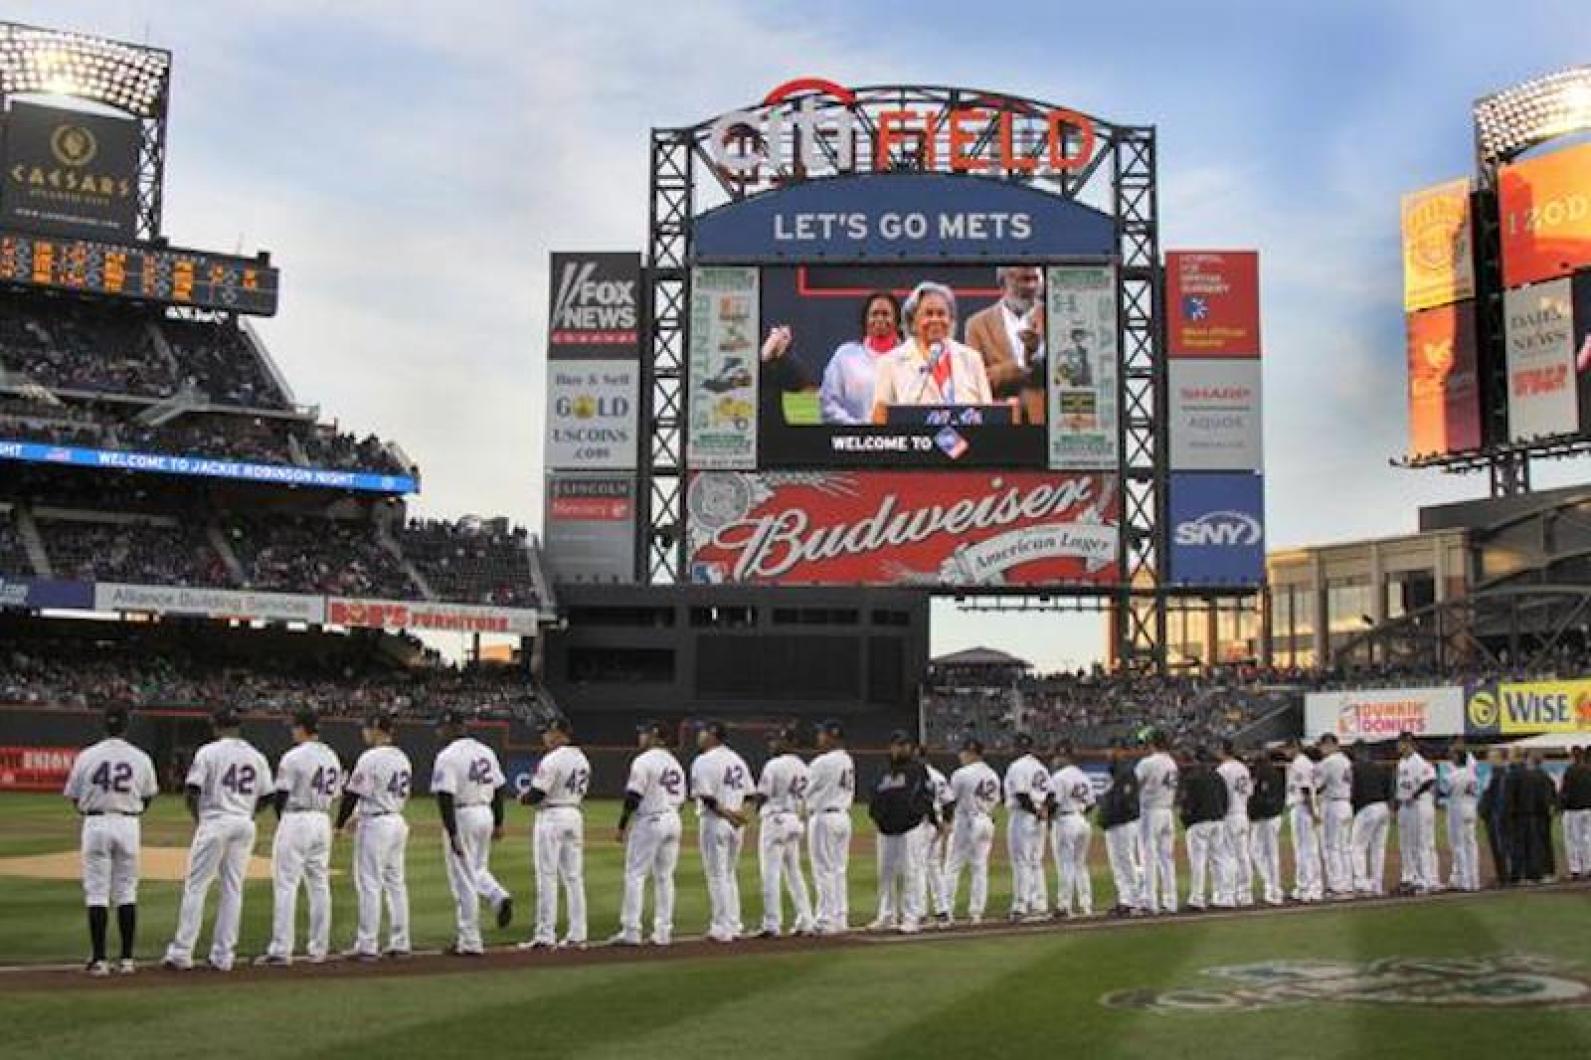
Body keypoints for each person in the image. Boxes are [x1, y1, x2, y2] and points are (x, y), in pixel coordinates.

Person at [162, 708, 272, 972]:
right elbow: (268, 796)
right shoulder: (256, 755)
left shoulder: (209, 752)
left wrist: (201, 821)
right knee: (233, 889)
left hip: (216, 821)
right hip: (244, 823)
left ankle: (182, 952)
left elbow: (192, 791)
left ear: (216, 727)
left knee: (196, 886)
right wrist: (248, 813)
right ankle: (224, 956)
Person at [63, 705, 157, 976]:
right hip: (128, 822)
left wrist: (91, 809)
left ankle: (100, 960)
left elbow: (74, 796)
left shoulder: (87, 756)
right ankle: (127, 960)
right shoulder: (140, 757)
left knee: (96, 892)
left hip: (95, 822)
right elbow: (148, 796)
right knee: (127, 890)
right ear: (127, 726)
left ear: (103, 725)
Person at [257, 708, 341, 967]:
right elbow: (336, 794)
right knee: (319, 884)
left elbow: (280, 796)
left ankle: (281, 949)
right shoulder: (331, 756)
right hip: (322, 820)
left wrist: (286, 823)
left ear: (302, 728)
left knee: (286, 884)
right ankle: (319, 948)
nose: (292, 730)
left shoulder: (293, 756)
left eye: (294, 726)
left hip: (297, 818)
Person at [431, 708, 512, 956]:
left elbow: (445, 796)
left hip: (463, 815)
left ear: (450, 728)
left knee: (463, 879)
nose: (438, 732)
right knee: (477, 869)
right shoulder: (484, 750)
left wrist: (452, 832)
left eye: (441, 728)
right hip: (485, 813)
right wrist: (499, 821)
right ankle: (498, 896)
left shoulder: (448, 756)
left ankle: (470, 940)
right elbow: (499, 788)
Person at [336, 711, 413, 961]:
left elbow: (352, 793)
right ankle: (400, 942)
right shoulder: (402, 757)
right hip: (396, 820)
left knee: (369, 883)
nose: (364, 731)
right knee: (395, 883)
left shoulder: (371, 757)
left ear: (379, 728)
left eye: (367, 727)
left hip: (376, 825)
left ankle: (367, 944)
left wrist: (339, 824)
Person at [869, 281, 993, 421]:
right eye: (928, 314)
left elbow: (987, 413)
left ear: (951, 320)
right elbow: (879, 418)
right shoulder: (889, 363)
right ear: (912, 321)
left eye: (941, 314)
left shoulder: (972, 359)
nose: (935, 320)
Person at [517, 716, 590, 950]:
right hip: (574, 814)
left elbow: (537, 793)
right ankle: (578, 933)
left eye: (547, 732)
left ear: (559, 733)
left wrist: (523, 798)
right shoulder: (582, 759)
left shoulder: (553, 759)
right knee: (574, 877)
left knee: (547, 875)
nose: (544, 737)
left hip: (552, 816)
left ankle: (545, 934)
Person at [613, 721, 686, 946]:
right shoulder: (675, 763)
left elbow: (633, 796)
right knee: (665, 877)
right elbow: (682, 800)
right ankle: (663, 931)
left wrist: (622, 825)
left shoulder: (643, 761)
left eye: (643, 734)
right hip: (673, 818)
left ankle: (631, 930)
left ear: (654, 736)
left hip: (651, 819)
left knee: (635, 874)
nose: (640, 737)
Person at [792, 290, 904, 425]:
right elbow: (827, 404)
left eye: (885, 314)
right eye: (874, 314)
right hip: (853, 441)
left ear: (897, 321)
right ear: (865, 320)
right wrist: (857, 429)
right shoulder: (846, 356)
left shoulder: (911, 357)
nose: (880, 319)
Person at [868, 732, 941, 934]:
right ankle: (886, 915)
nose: (901, 749)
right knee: (886, 873)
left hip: (910, 827)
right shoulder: (883, 771)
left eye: (904, 745)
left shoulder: (918, 769)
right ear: (891, 747)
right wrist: (877, 817)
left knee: (911, 871)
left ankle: (911, 917)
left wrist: (918, 815)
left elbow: (927, 796)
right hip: (886, 828)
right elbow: (874, 796)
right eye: (897, 745)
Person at [689, 720, 753, 943]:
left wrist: (728, 816)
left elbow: (707, 799)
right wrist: (738, 817)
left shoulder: (703, 761)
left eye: (702, 732)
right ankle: (734, 924)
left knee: (717, 876)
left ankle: (721, 927)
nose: (698, 735)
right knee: (729, 874)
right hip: (736, 825)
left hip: (716, 822)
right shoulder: (737, 759)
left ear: (713, 735)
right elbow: (750, 796)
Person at [751, 725, 815, 939]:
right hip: (794, 820)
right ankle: (806, 919)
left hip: (775, 819)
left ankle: (772, 923)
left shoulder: (774, 765)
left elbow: (762, 795)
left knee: (770, 873)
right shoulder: (805, 768)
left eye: (776, 740)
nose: (772, 744)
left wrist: (751, 811)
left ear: (788, 742)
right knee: (794, 872)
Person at [962, 265, 1046, 422]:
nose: (1032, 287)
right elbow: (974, 382)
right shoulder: (977, 325)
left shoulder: (1057, 317)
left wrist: (1039, 353)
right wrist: (1020, 366)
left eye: (1037, 279)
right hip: (1000, 422)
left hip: (1047, 423)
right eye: (1024, 280)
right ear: (1002, 283)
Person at [943, 737, 1001, 925]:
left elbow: (951, 801)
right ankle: (976, 913)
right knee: (979, 868)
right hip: (986, 821)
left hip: (967, 821)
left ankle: (946, 910)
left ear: (969, 753)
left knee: (953, 866)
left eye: (962, 752)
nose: (960, 756)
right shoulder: (993, 774)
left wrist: (946, 822)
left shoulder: (961, 773)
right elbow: (995, 802)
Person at [806, 719, 855, 935]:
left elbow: (803, 790)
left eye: (822, 734)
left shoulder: (822, 762)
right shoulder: (848, 760)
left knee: (824, 870)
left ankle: (826, 919)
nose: (819, 738)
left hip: (824, 818)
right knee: (838, 869)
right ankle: (840, 917)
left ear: (831, 737)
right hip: (843, 817)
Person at [1004, 732, 1052, 921]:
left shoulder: (1017, 766)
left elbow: (1022, 795)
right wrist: (1044, 810)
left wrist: (1035, 811)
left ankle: (1021, 905)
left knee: (1021, 861)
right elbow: (1052, 794)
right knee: (1036, 861)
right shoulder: (1041, 767)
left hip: (1024, 816)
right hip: (1039, 817)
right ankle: (1040, 904)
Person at [1048, 739, 1096, 918]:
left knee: (1065, 865)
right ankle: (1086, 905)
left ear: (1063, 756)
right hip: (1082, 821)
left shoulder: (1059, 777)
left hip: (1065, 821)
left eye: (1057, 755)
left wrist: (1048, 818)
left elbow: (1055, 802)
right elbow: (1091, 804)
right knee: (1080, 865)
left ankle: (1064, 905)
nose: (1055, 759)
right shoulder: (1083, 776)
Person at [1135, 730, 1180, 915]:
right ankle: (1170, 901)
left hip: (1150, 812)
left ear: (1151, 743)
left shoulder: (1148, 762)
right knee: (1167, 859)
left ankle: (1149, 900)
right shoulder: (1172, 762)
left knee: (1148, 856)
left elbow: (1133, 783)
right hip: (1168, 812)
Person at [1098, 739, 1144, 916]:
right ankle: (1125, 899)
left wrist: (1112, 815)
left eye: (1112, 749)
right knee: (1118, 863)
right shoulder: (1115, 771)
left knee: (1126, 860)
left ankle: (1134, 900)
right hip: (1115, 823)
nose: (1109, 753)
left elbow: (1125, 801)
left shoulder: (1126, 771)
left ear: (1121, 750)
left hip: (1123, 822)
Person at [1180, 746, 1229, 911]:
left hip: (1199, 823)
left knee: (1198, 862)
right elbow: (1225, 800)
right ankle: (1223, 897)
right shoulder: (1218, 776)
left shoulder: (1192, 778)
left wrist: (1187, 821)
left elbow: (1187, 804)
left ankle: (1197, 899)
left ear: (1196, 760)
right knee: (1219, 860)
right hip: (1218, 821)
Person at [913, 742, 954, 926]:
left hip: (923, 824)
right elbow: (949, 802)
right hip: (935, 826)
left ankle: (921, 911)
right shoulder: (938, 775)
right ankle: (942, 910)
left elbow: (924, 802)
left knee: (918, 867)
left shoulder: (916, 776)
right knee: (934, 866)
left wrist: (938, 822)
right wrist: (945, 823)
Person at [1394, 731, 1439, 895]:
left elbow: (1430, 780)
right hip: (1406, 805)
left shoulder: (1420, 762)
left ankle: (1426, 880)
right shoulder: (1401, 763)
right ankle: (1410, 877)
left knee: (1422, 843)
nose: (1397, 746)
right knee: (1407, 843)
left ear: (1408, 743)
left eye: (1400, 743)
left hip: (1420, 805)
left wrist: (1415, 794)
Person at [1349, 741, 1394, 896]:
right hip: (1383, 808)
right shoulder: (1379, 767)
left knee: (1357, 847)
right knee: (1378, 849)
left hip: (1366, 809)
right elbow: (1390, 788)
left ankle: (1362, 884)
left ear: (1356, 752)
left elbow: (1353, 792)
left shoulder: (1354, 768)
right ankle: (1377, 885)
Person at [1215, 740, 1254, 908]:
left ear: (1223, 751)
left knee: (1228, 856)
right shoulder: (1243, 768)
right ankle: (1245, 894)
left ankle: (1228, 896)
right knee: (1243, 856)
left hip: (1229, 816)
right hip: (1243, 814)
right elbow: (1250, 792)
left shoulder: (1223, 770)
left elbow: (1219, 794)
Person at [1316, 733, 1354, 899]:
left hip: (1333, 805)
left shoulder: (1329, 762)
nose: (1321, 749)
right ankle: (1347, 883)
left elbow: (1317, 785)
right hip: (1346, 804)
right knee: (1344, 846)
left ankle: (1336, 885)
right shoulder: (1346, 760)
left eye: (1323, 745)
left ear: (1331, 744)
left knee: (1331, 846)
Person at [1285, 737, 1323, 903]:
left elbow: (1306, 789)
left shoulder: (1301, 763)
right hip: (1302, 808)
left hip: (1302, 809)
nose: (1286, 752)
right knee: (1304, 849)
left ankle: (1311, 888)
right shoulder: (1303, 762)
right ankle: (1303, 887)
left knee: (1306, 850)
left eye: (1288, 748)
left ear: (1295, 747)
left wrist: (1312, 811)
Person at [1247, 749, 1286, 906]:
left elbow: (1261, 798)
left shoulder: (1264, 774)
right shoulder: (1275, 773)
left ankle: (1273, 889)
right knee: (1263, 853)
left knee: (1265, 854)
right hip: (1272, 816)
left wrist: (1254, 813)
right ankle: (1273, 887)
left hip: (1266, 818)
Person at [1512, 751, 1557, 883]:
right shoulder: (1545, 775)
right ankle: (1547, 871)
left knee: (1532, 845)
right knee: (1544, 843)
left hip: (1533, 814)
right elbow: (1552, 795)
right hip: (1543, 814)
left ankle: (1534, 873)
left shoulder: (1532, 776)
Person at [1443, 741, 1481, 892]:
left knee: (1459, 846)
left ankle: (1464, 881)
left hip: (1457, 809)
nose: (1450, 757)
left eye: (1453, 755)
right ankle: (1474, 880)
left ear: (1458, 758)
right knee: (1471, 844)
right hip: (1471, 808)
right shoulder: (1472, 774)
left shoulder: (1453, 775)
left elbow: (1444, 790)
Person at [1478, 747, 1512, 886]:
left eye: (1492, 756)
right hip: (1495, 815)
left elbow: (1493, 797)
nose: (1489, 758)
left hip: (1497, 815)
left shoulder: (1500, 774)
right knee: (1499, 846)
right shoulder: (1496, 773)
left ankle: (1504, 876)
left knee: (1501, 846)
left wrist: (1485, 811)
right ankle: (1502, 875)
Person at [1562, 745, 1591, 880]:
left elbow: (1565, 792)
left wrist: (1562, 805)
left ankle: (1576, 869)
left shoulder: (1570, 771)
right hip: (1588, 809)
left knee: (1574, 840)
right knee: (1587, 839)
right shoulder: (1588, 770)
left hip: (1574, 810)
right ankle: (1588, 867)